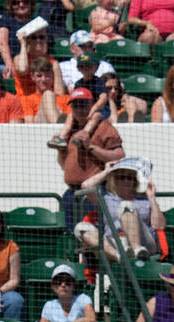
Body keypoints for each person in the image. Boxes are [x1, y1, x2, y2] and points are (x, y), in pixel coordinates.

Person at [53, 87, 125, 233]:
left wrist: (91, 147)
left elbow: (120, 156)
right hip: (72, 193)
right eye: (75, 105)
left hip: (96, 193)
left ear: (91, 105)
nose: (79, 109)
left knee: (95, 234)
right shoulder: (69, 129)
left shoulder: (104, 126)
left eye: (83, 104)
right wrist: (60, 151)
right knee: (72, 234)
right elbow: (64, 165)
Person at [76, 159, 165, 262]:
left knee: (126, 206)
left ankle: (137, 250)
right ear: (115, 180)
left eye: (129, 177)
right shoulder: (106, 198)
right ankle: (119, 256)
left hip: (144, 243)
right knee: (81, 228)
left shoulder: (144, 199)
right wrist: (107, 172)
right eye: (121, 177)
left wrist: (152, 198)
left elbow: (159, 225)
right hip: (115, 242)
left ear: (135, 180)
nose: (126, 181)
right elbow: (85, 186)